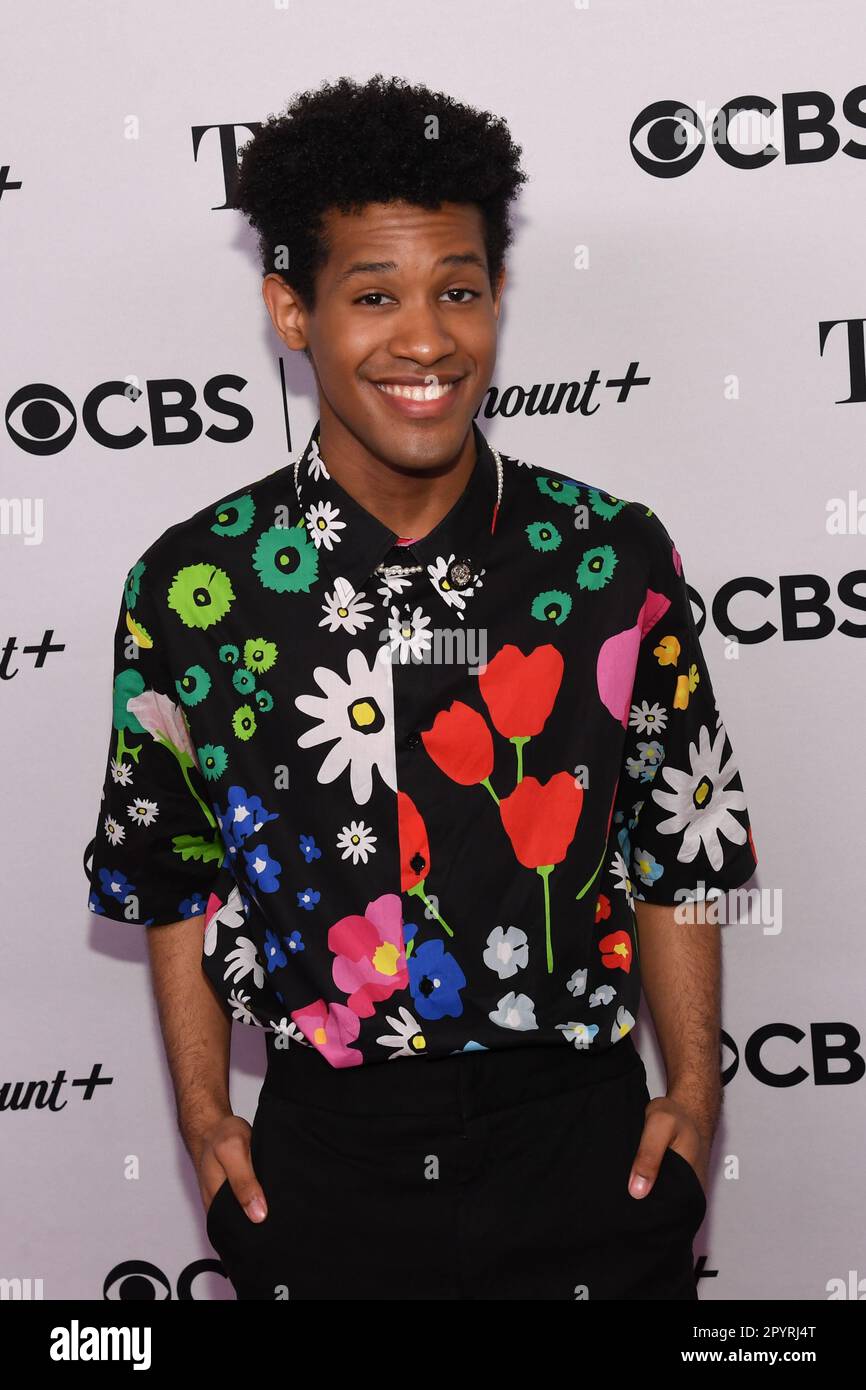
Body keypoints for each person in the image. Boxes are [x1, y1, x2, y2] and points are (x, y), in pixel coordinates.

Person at [84, 73, 758, 1300]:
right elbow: (170, 868)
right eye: (372, 295)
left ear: (497, 295)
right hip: (325, 1167)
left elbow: (680, 840)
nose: (426, 340)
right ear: (291, 310)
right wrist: (201, 1110)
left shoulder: (608, 558)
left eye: (457, 289)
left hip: (582, 1147)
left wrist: (696, 1098)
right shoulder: (195, 586)